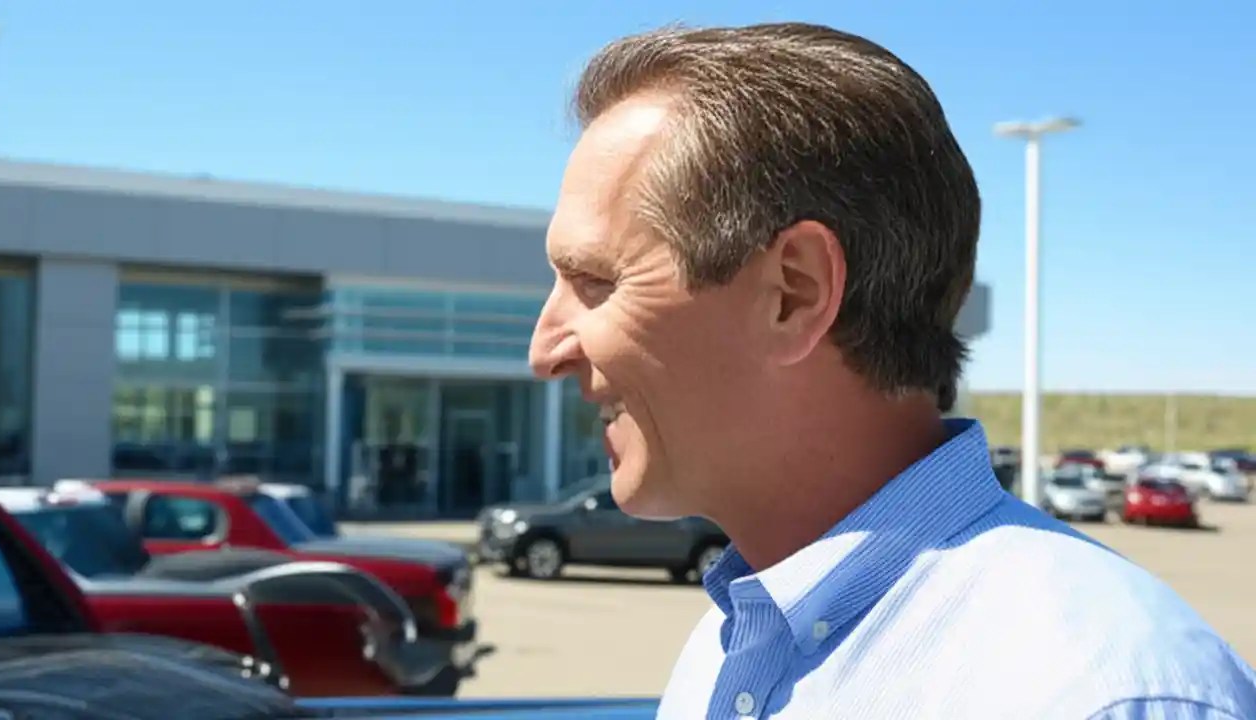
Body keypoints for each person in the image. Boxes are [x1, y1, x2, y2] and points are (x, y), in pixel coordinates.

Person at [528, 21, 1256, 720]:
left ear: (795, 294)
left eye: (594, 280)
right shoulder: (732, 648)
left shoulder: (1096, 691)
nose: (545, 350)